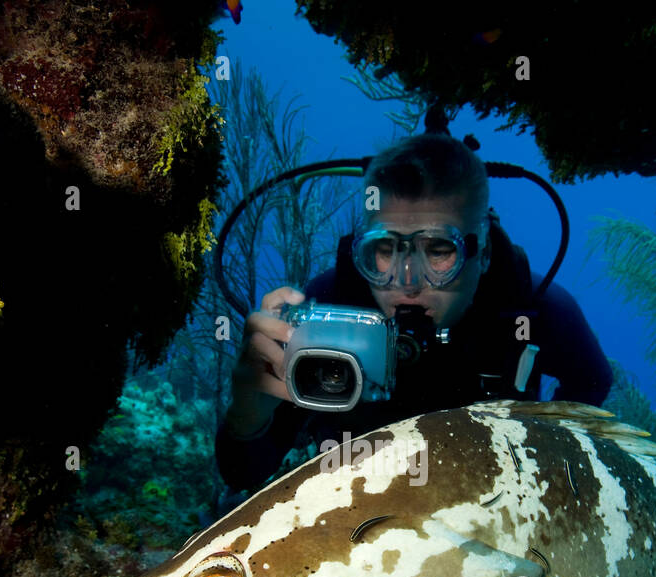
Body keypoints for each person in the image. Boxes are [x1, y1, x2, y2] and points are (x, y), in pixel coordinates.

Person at [216, 132, 613, 492]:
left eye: (439, 250)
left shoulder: (537, 311)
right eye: (385, 250)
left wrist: (545, 462)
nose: (406, 282)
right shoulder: (329, 308)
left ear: (485, 252)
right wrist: (248, 412)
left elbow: (592, 383)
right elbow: (241, 475)